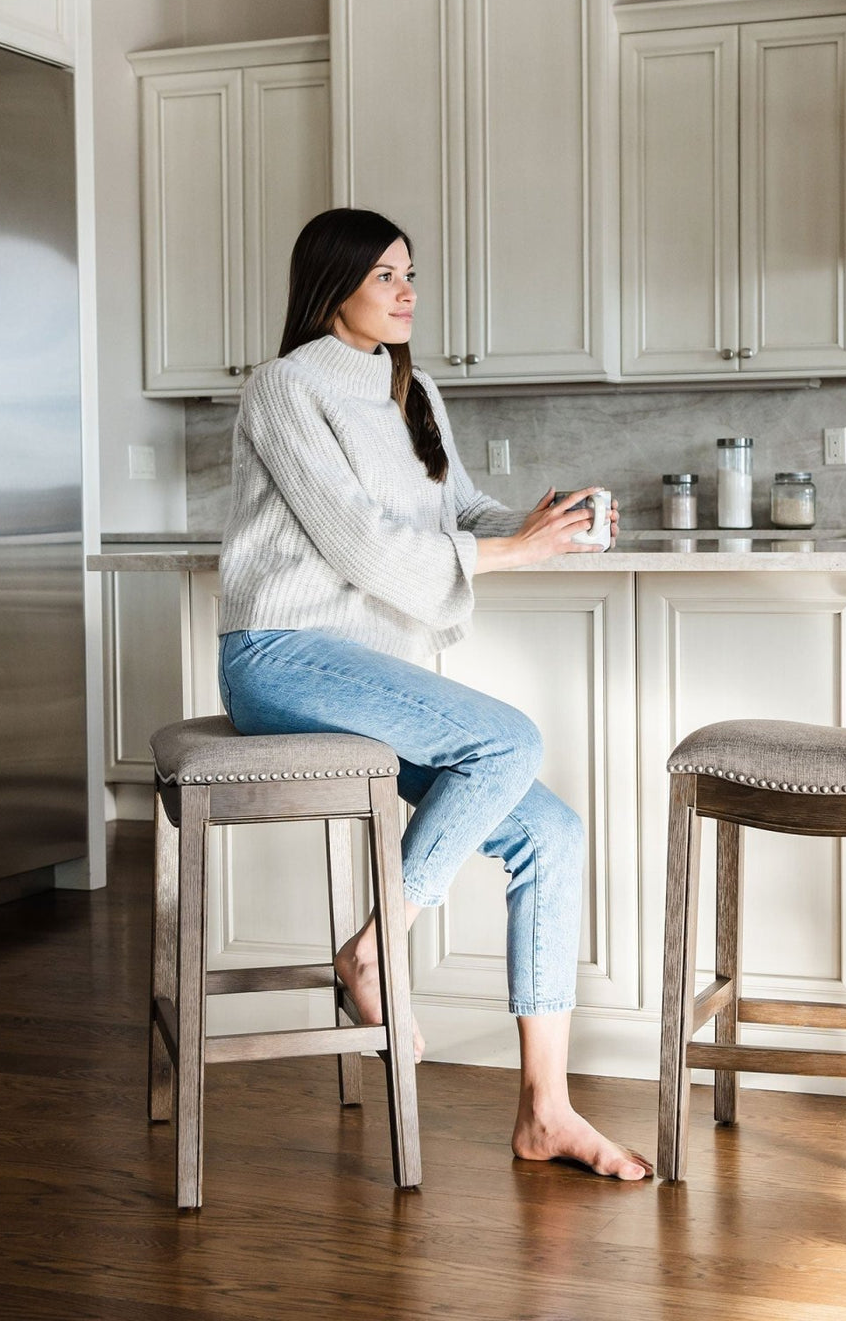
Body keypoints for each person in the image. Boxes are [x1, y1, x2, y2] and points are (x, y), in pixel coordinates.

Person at [216, 207, 651, 1181]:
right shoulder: (283, 389)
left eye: (410, 272)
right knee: (506, 739)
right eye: (384, 275)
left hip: (365, 675)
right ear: (331, 285)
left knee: (552, 832)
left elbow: (457, 513)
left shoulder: (412, 389)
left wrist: (547, 520)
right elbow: (360, 544)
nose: (406, 291)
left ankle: (545, 1111)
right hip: (281, 656)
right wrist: (513, 552)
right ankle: (376, 951)